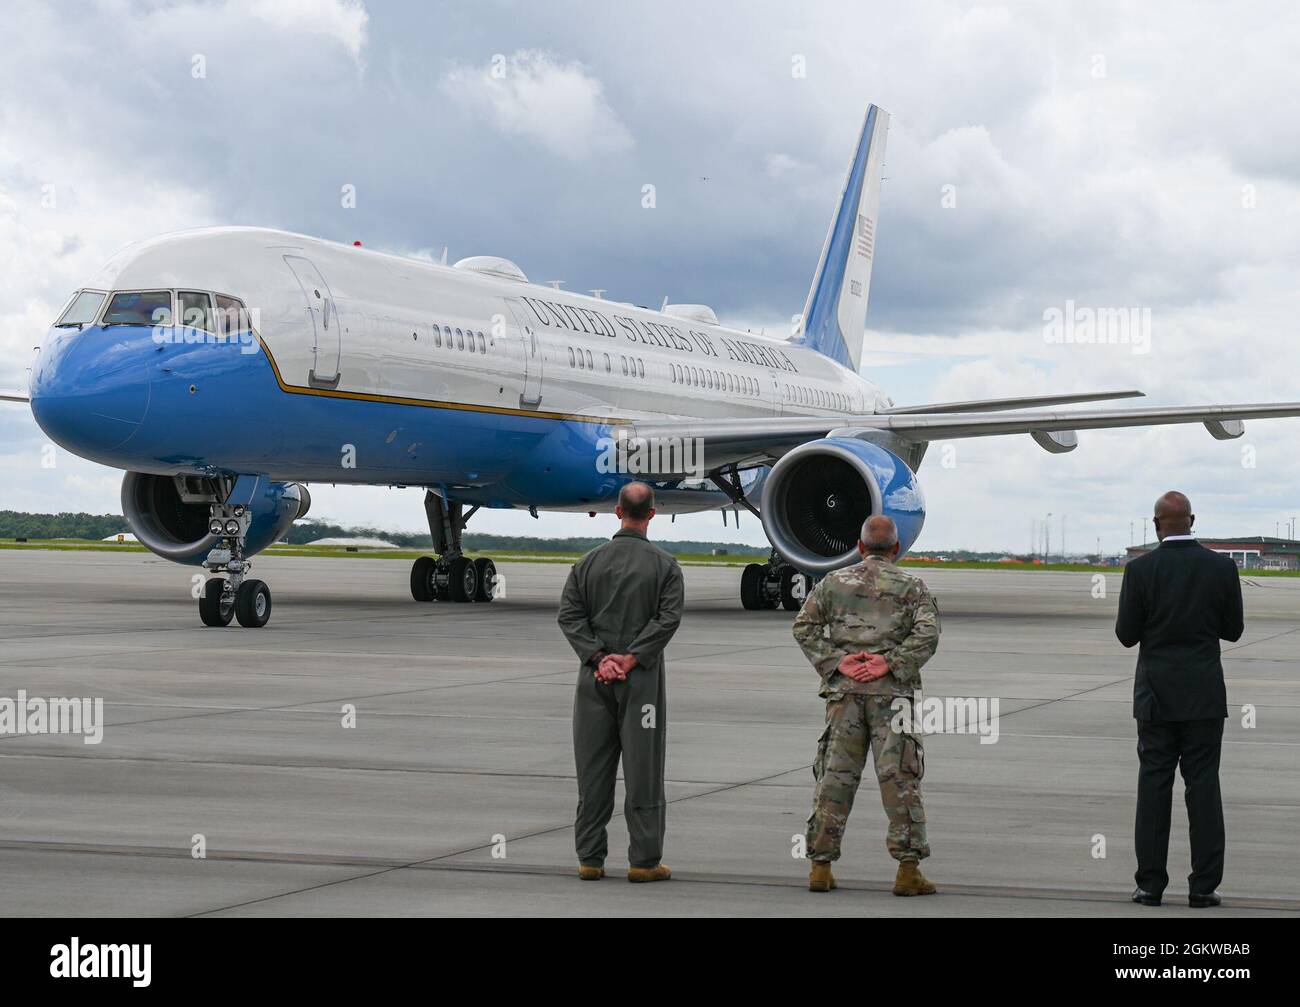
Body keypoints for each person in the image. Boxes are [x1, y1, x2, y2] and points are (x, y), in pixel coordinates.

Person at [792, 515, 941, 895]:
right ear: (895, 548)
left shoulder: (833, 583)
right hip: (892, 697)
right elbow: (928, 633)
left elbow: (804, 626)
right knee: (900, 780)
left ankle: (820, 867)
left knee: (835, 778)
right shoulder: (912, 586)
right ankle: (908, 870)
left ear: (860, 547)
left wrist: (836, 662)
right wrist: (889, 662)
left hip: (845, 696)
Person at [1116, 490, 1243, 908]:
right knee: (1203, 788)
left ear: (1156, 525)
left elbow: (1126, 635)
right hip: (1204, 695)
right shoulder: (1221, 568)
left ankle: (1150, 885)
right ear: (1193, 520)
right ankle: (1203, 886)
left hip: (1155, 697)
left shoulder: (1140, 570)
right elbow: (1234, 630)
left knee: (1154, 787)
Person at [557, 481, 684, 883]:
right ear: (652, 513)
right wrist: (630, 659)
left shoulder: (586, 564)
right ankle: (643, 861)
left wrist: (599, 657)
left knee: (592, 770)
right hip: (641, 682)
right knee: (644, 770)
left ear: (616, 512)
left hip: (593, 681)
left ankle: (590, 859)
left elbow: (570, 617)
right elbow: (667, 619)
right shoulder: (666, 566)